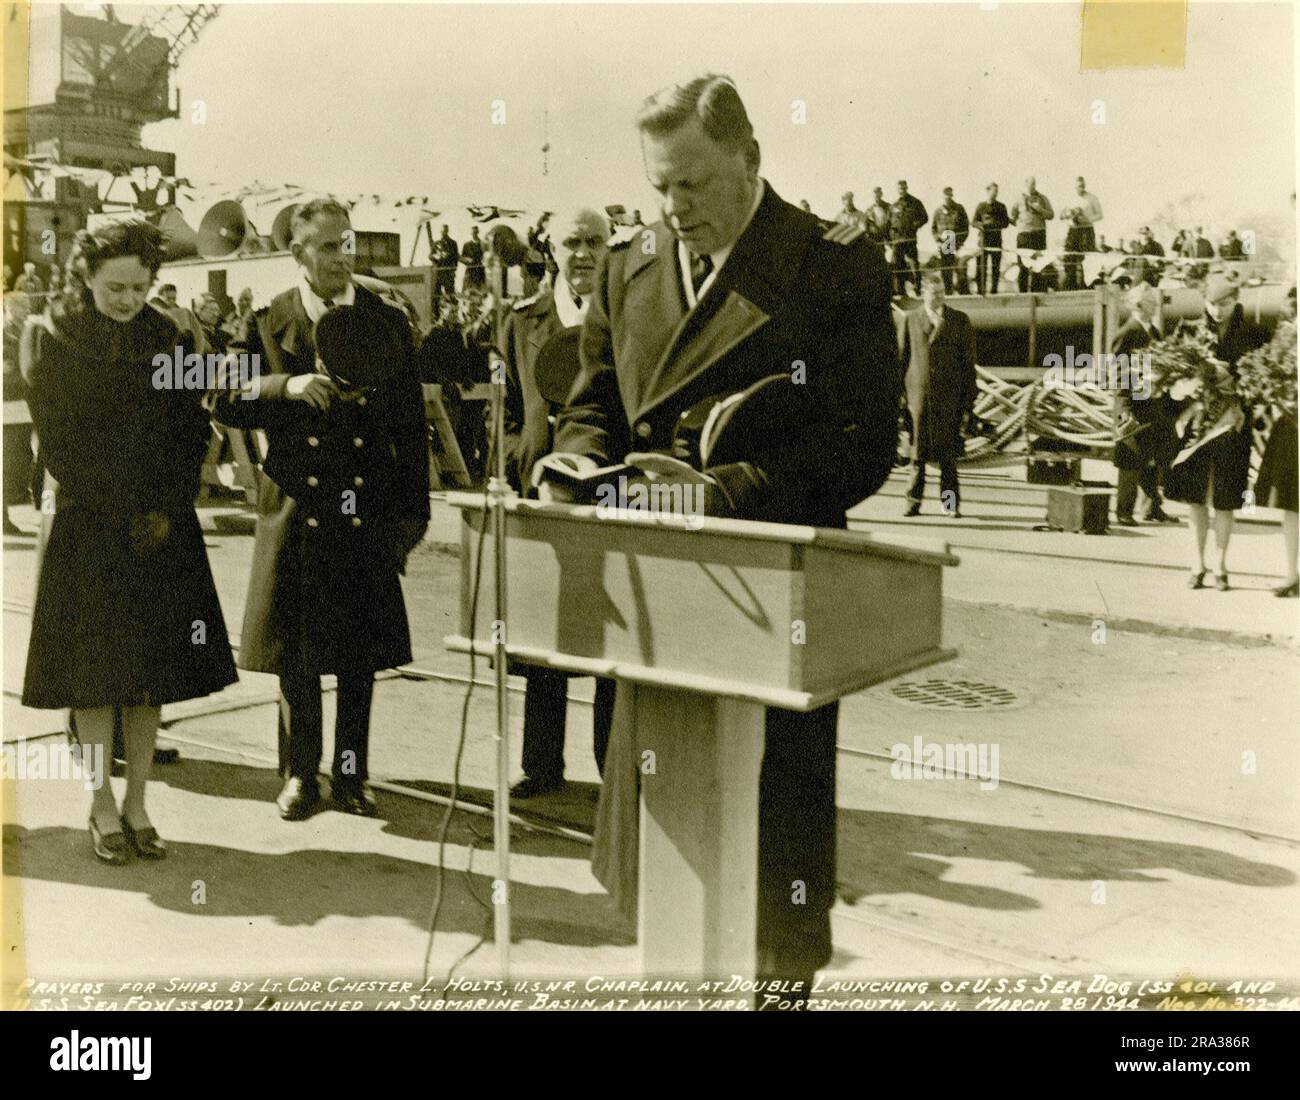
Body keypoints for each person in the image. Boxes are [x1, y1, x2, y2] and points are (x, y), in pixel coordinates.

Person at [543, 74, 900, 992]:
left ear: (750, 159)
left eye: (694, 184)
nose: (674, 207)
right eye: (660, 186)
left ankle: (780, 993)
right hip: (648, 598)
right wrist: (571, 464)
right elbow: (595, 407)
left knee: (774, 827)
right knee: (663, 837)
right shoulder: (628, 265)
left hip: (771, 594)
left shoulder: (830, 264)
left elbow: (863, 443)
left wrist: (730, 488)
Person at [21, 220, 237, 864]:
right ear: (85, 276)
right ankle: (99, 803)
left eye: (140, 287)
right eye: (115, 286)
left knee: (148, 674)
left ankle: (139, 802)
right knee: (93, 678)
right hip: (90, 524)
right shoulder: (51, 336)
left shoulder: (164, 334)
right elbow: (59, 438)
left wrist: (167, 506)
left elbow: (186, 427)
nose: (127, 299)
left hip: (157, 525)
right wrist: (120, 506)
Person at [211, 199, 431, 820]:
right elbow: (221, 395)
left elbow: (409, 424)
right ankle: (300, 775)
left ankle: (352, 775)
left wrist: (412, 516)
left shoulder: (382, 318)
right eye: (329, 246)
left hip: (363, 506)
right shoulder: (265, 320)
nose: (343, 256)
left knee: (359, 656)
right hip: (297, 507)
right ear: (298, 252)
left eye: (347, 243)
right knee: (297, 657)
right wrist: (286, 386)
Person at [499, 206, 617, 797]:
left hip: (609, 489)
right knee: (544, 630)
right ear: (552, 249)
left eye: (595, 241)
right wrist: (516, 464)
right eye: (572, 242)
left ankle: (612, 766)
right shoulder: (523, 321)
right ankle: (541, 764)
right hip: (539, 488)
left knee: (611, 636)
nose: (584, 253)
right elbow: (512, 411)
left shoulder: (625, 317)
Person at [1163, 273, 1265, 590]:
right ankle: (1197, 563)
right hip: (1197, 426)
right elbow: (1170, 374)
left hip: (1232, 426)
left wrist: (1232, 382)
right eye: (1212, 303)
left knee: (1224, 498)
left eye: (1224, 303)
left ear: (1235, 301)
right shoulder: (1189, 330)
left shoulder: (1253, 334)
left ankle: (1220, 566)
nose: (1217, 310)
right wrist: (1185, 387)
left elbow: (1258, 382)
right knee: (1195, 499)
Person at [900, 272, 978, 518]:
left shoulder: (959, 321)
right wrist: (901, 399)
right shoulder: (910, 320)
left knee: (948, 458)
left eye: (943, 293)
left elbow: (968, 364)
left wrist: (968, 401)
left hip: (949, 400)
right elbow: (900, 361)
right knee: (917, 455)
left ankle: (950, 504)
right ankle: (913, 502)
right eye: (935, 294)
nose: (940, 298)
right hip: (919, 399)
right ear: (923, 294)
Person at [1111, 283, 1177, 525]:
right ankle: (1124, 511)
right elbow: (1119, 373)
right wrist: (1125, 409)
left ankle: (1151, 507)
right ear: (1138, 304)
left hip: (1152, 404)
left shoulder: (1155, 333)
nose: (1155, 305)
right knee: (1130, 459)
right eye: (1150, 301)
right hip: (1133, 405)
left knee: (1154, 457)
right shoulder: (1127, 333)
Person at [1252, 287, 1298, 597]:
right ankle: (1291, 573)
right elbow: (1269, 379)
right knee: (1292, 506)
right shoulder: (1286, 340)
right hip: (1291, 427)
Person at [1009, 178, 1054, 293]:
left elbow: (1051, 215)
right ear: (1025, 185)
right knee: (1023, 266)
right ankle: (1022, 293)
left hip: (1039, 234)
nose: (1032, 186)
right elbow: (1012, 217)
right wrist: (1021, 225)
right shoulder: (1019, 199)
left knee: (1038, 266)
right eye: (1030, 184)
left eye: (1034, 183)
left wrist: (1041, 210)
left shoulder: (1042, 198)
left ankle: (1037, 293)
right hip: (1024, 235)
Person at [1060, 176, 1103, 291]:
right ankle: (1070, 287)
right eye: (1079, 186)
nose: (1081, 188)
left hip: (1087, 229)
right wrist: (1068, 214)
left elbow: (1100, 215)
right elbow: (1061, 215)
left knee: (1088, 259)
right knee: (1069, 257)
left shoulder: (1092, 198)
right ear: (1075, 187)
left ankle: (1087, 286)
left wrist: (1087, 219)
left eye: (1083, 186)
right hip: (1073, 230)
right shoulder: (1070, 199)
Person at [888, 180, 928, 297]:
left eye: (904, 188)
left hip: (910, 239)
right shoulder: (893, 206)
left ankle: (917, 289)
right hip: (897, 240)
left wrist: (915, 225)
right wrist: (891, 238)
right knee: (897, 266)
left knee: (914, 265)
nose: (902, 191)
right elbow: (889, 223)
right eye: (900, 189)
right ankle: (900, 290)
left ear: (907, 188)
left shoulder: (915, 203)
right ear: (897, 190)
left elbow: (924, 217)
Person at [930, 187, 969, 295]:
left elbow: (965, 227)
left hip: (957, 243)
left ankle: (963, 291)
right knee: (946, 271)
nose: (948, 197)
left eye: (950, 195)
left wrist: (959, 243)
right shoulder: (938, 211)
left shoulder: (959, 209)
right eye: (946, 195)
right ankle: (948, 292)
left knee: (960, 268)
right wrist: (937, 240)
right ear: (943, 196)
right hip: (944, 244)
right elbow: (933, 228)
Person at [972, 182, 1009, 295]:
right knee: (981, 266)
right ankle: (980, 291)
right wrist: (982, 225)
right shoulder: (981, 206)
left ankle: (994, 291)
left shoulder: (1001, 206)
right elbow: (973, 221)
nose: (995, 193)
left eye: (997, 191)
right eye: (993, 191)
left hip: (996, 240)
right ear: (988, 191)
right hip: (983, 240)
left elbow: (1006, 223)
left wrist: (993, 224)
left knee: (995, 268)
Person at [430, 223, 459, 305]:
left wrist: (453, 270)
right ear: (440, 232)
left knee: (450, 295)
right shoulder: (436, 243)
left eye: (446, 231)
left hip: (448, 273)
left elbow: (456, 258)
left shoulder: (453, 243)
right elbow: (430, 256)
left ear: (448, 231)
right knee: (436, 296)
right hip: (438, 273)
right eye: (443, 231)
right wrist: (436, 256)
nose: (444, 233)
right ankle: (436, 315)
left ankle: (453, 313)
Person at [460, 226, 486, 292]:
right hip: (470, 271)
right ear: (471, 233)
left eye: (476, 232)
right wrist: (467, 260)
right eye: (473, 232)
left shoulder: (483, 244)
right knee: (468, 291)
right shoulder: (466, 245)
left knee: (480, 292)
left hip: (480, 271)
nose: (475, 234)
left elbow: (486, 256)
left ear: (478, 232)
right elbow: (462, 258)